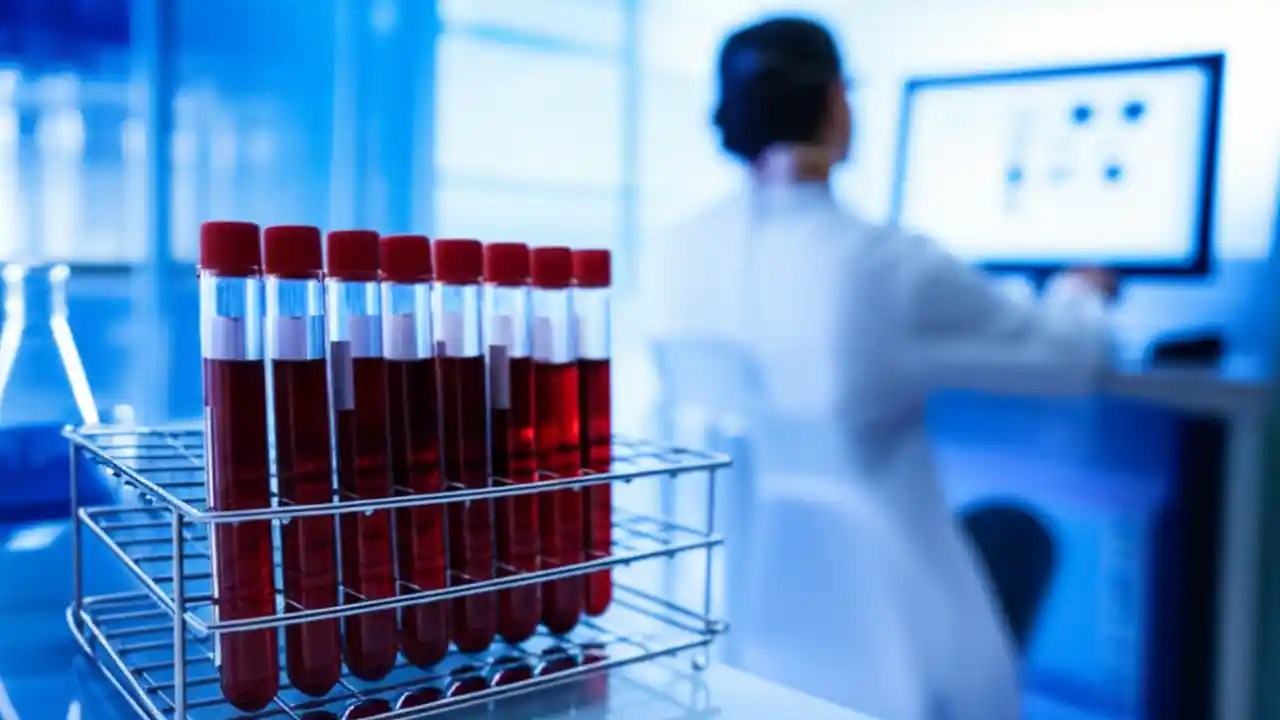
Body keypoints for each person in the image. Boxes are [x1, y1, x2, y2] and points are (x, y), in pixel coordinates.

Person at [639, 16, 1114, 720]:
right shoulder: (883, 264)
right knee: (1014, 528)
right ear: (837, 104)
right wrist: (1082, 292)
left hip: (741, 644)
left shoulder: (672, 254)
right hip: (896, 662)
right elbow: (1071, 357)